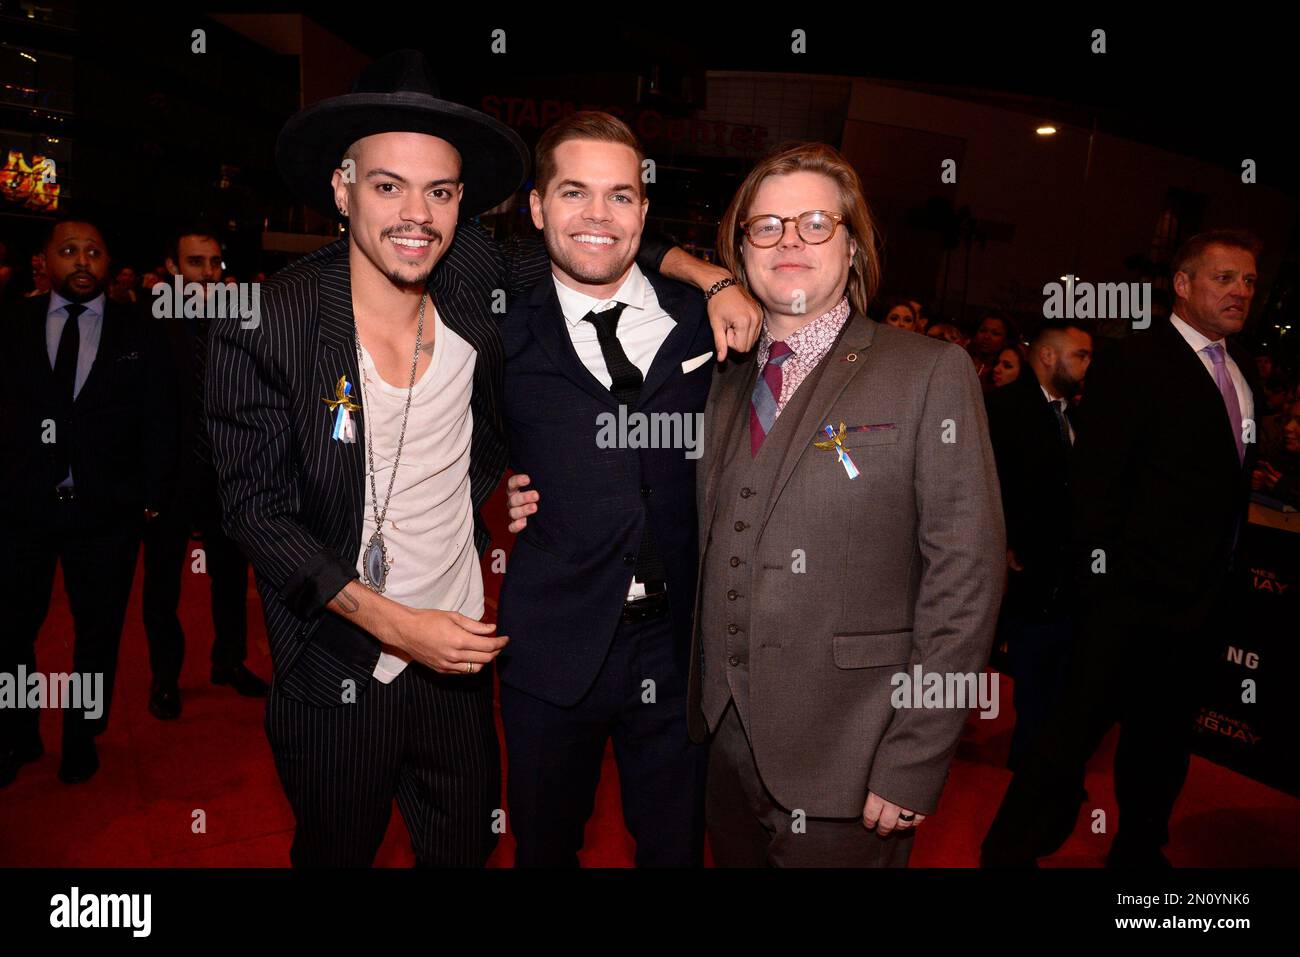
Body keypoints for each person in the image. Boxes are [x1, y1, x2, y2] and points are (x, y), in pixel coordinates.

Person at [205, 50, 530, 866]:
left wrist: (709, 278)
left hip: (457, 656)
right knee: (335, 851)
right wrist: (396, 626)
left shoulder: (471, 279)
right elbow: (258, 516)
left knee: (465, 850)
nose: (416, 214)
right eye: (388, 185)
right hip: (340, 660)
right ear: (341, 189)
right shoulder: (264, 325)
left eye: (440, 191)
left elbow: (588, 247)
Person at [688, 142, 1005, 866]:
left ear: (855, 248)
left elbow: (967, 578)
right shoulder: (724, 375)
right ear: (741, 254)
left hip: (852, 755)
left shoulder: (928, 372)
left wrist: (914, 758)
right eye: (765, 226)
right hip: (721, 742)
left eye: (814, 223)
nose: (789, 240)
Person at [496, 113, 751, 866]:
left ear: (644, 209)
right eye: (574, 193)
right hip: (550, 640)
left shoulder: (708, 322)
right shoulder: (501, 326)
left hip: (681, 648)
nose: (598, 217)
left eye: (620, 196)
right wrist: (497, 483)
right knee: (544, 847)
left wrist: (716, 276)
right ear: (538, 207)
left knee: (675, 848)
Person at [982, 229, 1262, 868]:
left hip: (1199, 605)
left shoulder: (1241, 372)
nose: (1240, 291)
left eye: (1248, 281)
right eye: (1224, 278)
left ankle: (1139, 853)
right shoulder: (1137, 360)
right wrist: (1102, 588)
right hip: (1125, 602)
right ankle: (1008, 853)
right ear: (1183, 284)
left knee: (1163, 740)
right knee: (1071, 734)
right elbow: (1096, 485)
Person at [1, 219, 173, 786]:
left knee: (97, 632)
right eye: (69, 250)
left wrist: (148, 502)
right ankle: (17, 731)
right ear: (44, 259)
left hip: (106, 514)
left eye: (94, 252)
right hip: (22, 510)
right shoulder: (12, 324)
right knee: (10, 628)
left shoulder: (140, 331)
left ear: (108, 261)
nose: (82, 261)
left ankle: (81, 732)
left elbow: (158, 420)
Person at [142, 224, 266, 722]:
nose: (209, 274)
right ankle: (165, 678)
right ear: (172, 267)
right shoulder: (148, 320)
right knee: (162, 585)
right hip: (169, 479)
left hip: (227, 476)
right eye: (196, 263)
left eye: (215, 263)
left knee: (231, 578)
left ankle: (229, 661)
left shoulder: (238, 319)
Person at [984, 323, 1092, 770]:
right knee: (961, 664)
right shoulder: (1003, 408)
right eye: (1081, 355)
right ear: (1048, 357)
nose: (1089, 365)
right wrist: (1003, 542)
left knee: (1043, 674)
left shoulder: (1076, 416)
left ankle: (1032, 766)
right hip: (1004, 567)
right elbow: (982, 484)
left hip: (1053, 573)